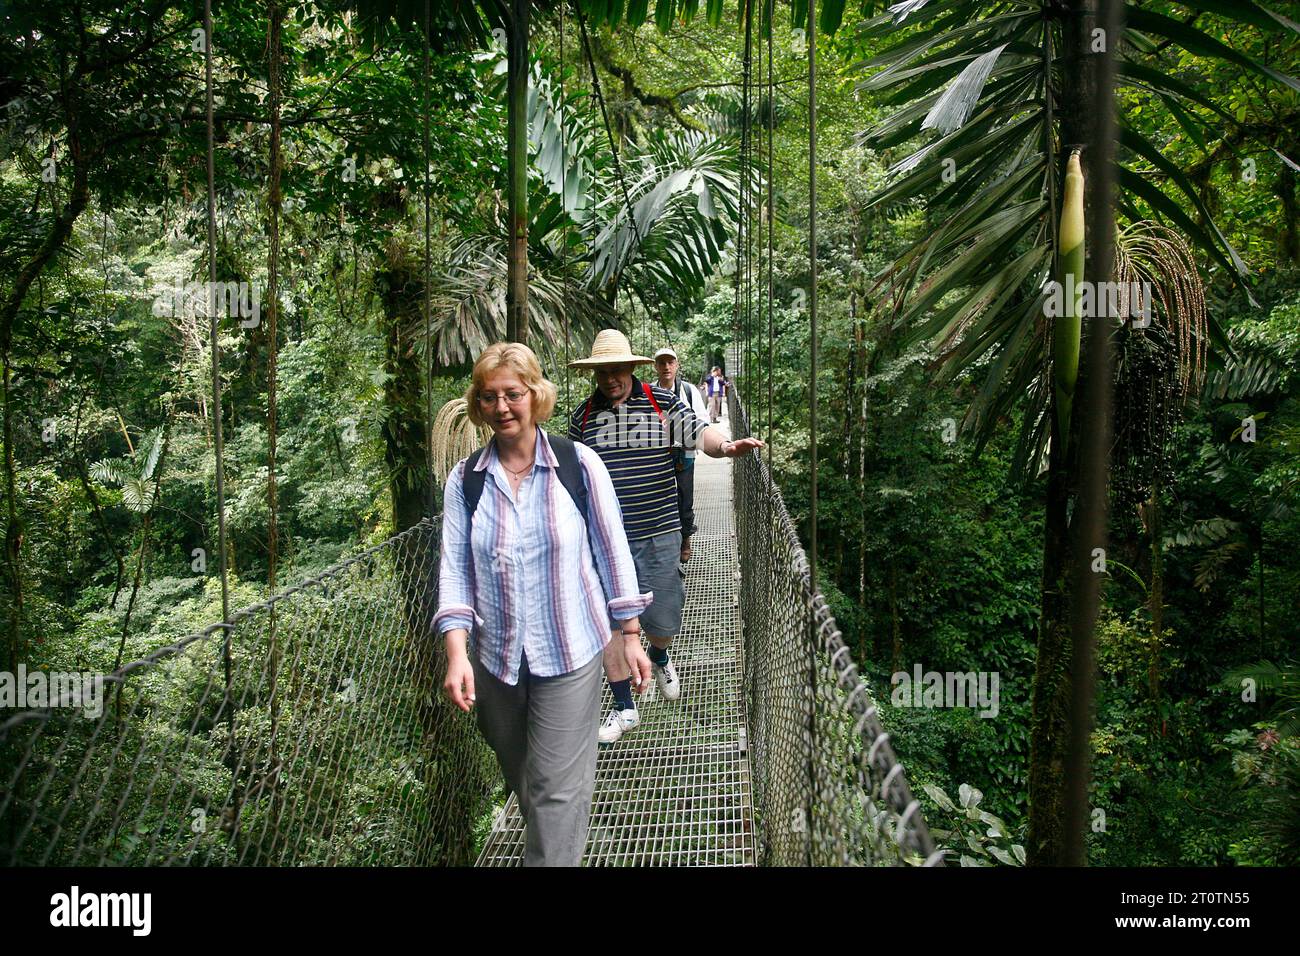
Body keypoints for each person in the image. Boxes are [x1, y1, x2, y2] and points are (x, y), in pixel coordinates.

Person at [435, 342, 653, 866]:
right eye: (489, 397)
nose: (502, 406)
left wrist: (629, 635)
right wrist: (457, 653)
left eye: (513, 393)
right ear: (478, 405)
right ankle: (560, 836)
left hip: (569, 651)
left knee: (557, 790)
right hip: (496, 660)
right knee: (526, 779)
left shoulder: (578, 466)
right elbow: (454, 570)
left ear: (536, 395)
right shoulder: (465, 482)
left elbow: (612, 548)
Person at [567, 330, 764, 744]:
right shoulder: (582, 418)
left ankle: (659, 654)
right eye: (602, 372)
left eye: (617, 370)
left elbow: (700, 433)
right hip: (606, 542)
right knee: (613, 627)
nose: (610, 379)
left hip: (659, 531)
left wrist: (726, 447)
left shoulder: (661, 403)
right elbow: (571, 477)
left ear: (632, 369)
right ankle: (624, 707)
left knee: (662, 622)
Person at [653, 346, 708, 563]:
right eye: (662, 363)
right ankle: (665, 541)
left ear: (676, 365)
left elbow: (702, 419)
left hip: (684, 452)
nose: (666, 367)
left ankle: (685, 539)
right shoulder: (648, 392)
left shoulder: (688, 390)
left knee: (685, 498)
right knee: (659, 496)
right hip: (659, 453)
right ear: (655, 367)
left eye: (670, 363)